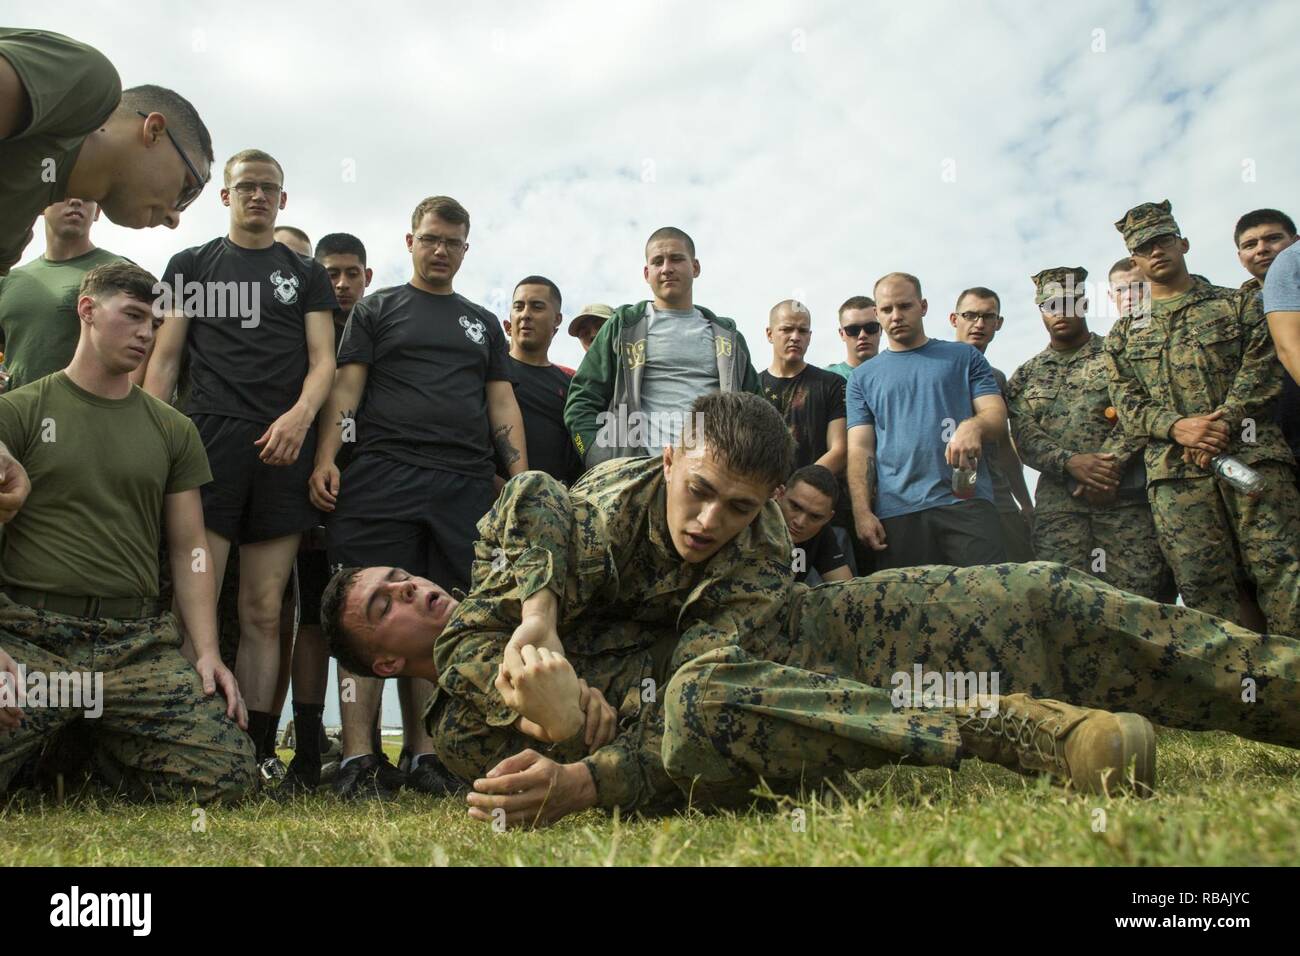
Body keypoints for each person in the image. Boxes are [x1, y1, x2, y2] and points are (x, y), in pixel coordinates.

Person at [322, 397, 1300, 828]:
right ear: (373, 664)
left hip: (803, 644)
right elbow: (681, 717)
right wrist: (580, 758)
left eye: (736, 503)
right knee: (705, 706)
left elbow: (532, 497)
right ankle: (1002, 729)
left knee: (1043, 594)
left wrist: (542, 630)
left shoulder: (724, 538)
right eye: (383, 601)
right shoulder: (458, 710)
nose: (708, 522)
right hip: (740, 707)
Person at [0, 262, 254, 802]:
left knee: (228, 776)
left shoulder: (172, 428)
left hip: (133, 645)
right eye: (134, 315)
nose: (146, 333)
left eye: (155, 322)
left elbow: (190, 550)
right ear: (87, 311)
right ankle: (53, 749)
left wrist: (205, 650)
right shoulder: (19, 413)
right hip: (31, 637)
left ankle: (88, 751)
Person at [309, 195, 525, 799]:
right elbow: (348, 388)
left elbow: (501, 402)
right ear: (410, 242)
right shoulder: (378, 308)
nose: (440, 250)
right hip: (381, 476)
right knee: (365, 613)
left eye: (453, 242)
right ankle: (358, 758)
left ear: (464, 249)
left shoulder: (481, 321)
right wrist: (328, 456)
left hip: (464, 484)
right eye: (431, 238)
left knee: (441, 613)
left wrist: (520, 478)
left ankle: (427, 754)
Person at [142, 148, 338, 770]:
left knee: (263, 607)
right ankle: (183, 741)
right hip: (206, 446)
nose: (258, 196)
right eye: (247, 187)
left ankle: (253, 754)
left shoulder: (304, 273)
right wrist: (149, 434)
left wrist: (299, 418)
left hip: (284, 447)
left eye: (270, 189)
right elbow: (167, 358)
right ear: (225, 196)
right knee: (194, 597)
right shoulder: (190, 264)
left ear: (283, 200)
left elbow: (323, 361)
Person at [1105, 199, 1300, 635]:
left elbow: (1265, 370)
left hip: (1252, 457)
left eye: (1164, 240)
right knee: (1205, 587)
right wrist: (1178, 428)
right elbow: (1128, 402)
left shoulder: (1237, 306)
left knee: (1283, 570)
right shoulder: (1121, 335)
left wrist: (1222, 422)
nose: (1156, 251)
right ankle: (1241, 694)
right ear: (1134, 259)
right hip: (1177, 478)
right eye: (1144, 247)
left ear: (1183, 243)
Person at [1005, 267, 1174, 601]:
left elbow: (1139, 410)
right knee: (1063, 598)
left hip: (1123, 496)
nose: (1061, 313)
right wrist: (1071, 463)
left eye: (1069, 303)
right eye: (1051, 305)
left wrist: (1107, 466)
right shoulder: (1025, 376)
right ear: (1041, 311)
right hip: (1060, 506)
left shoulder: (1118, 355)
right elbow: (1024, 436)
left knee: (1137, 596)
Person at [278, 232, 375, 791]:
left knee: (363, 615)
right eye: (331, 273)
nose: (341, 284)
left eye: (351, 274)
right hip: (306, 486)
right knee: (309, 620)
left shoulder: (381, 325)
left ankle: (371, 752)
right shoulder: (300, 329)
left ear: (367, 276)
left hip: (369, 493)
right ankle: (308, 750)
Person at [0, 30, 212, 274]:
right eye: (187, 191)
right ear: (154, 131)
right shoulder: (88, 83)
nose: (174, 220)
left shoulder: (11, 235)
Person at [846, 272, 1008, 568]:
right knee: (912, 611)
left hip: (966, 502)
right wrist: (861, 511)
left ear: (923, 306)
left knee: (983, 603)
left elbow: (996, 417)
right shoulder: (861, 378)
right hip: (898, 513)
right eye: (886, 309)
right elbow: (860, 449)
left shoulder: (965, 357)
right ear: (877, 314)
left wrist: (973, 425)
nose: (896, 316)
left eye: (905, 306)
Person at [564, 227, 762, 468]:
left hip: (712, 475)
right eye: (658, 262)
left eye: (677, 259)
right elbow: (582, 399)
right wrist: (595, 454)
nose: (667, 268)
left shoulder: (728, 338)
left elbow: (758, 412)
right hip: (636, 473)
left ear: (695, 267)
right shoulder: (624, 326)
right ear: (647, 273)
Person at [0, 199, 125, 393]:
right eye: (65, 193)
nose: (75, 201)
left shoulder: (120, 273)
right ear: (42, 204)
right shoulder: (10, 279)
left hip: (85, 414)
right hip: (14, 414)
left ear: (98, 211)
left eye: (87, 196)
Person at [948, 286, 1035, 560]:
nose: (979, 324)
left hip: (998, 497)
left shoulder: (996, 378)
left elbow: (1005, 447)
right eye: (970, 315)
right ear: (954, 319)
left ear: (999, 323)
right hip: (948, 498)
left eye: (988, 317)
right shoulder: (934, 367)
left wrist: (1026, 503)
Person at [1234, 209, 1300, 483]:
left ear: (1295, 242)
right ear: (1240, 257)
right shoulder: (1230, 312)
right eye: (1250, 244)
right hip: (1272, 445)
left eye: (1273, 238)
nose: (1262, 249)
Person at [502, 276, 583, 486]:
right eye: (518, 307)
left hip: (556, 504)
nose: (525, 315)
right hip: (489, 501)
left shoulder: (571, 385)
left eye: (537, 307)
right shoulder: (491, 372)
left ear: (557, 319)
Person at [760, 300, 847, 474]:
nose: (795, 337)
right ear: (770, 334)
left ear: (809, 336)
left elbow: (840, 450)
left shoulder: (832, 384)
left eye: (802, 330)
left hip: (815, 494)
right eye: (786, 329)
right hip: (763, 494)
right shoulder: (752, 387)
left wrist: (799, 488)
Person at [776, 465, 851, 583]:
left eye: (814, 516)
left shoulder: (822, 531)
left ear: (828, 518)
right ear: (780, 495)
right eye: (795, 506)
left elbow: (846, 590)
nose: (800, 522)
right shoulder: (755, 519)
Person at [826, 296, 880, 381]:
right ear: (841, 334)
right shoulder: (825, 379)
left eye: (871, 327)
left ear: (881, 329)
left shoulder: (898, 372)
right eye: (853, 330)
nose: (862, 335)